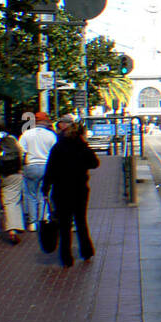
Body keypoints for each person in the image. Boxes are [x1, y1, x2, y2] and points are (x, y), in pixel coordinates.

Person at [42, 114, 99, 267]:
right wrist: (85, 147)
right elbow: (95, 163)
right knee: (81, 220)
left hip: (61, 190)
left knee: (64, 225)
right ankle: (86, 250)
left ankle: (66, 257)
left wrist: (46, 187)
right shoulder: (82, 146)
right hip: (80, 189)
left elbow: (50, 169)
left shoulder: (58, 147)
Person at [19, 111, 57, 234]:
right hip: (47, 167)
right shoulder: (51, 135)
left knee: (30, 195)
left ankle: (32, 223)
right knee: (43, 194)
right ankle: (43, 218)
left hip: (30, 166)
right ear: (45, 121)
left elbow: (21, 152)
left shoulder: (27, 134)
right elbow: (55, 153)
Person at [0, 123, 24, 245]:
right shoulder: (12, 139)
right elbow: (21, 154)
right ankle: (13, 230)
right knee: (11, 202)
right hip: (14, 174)